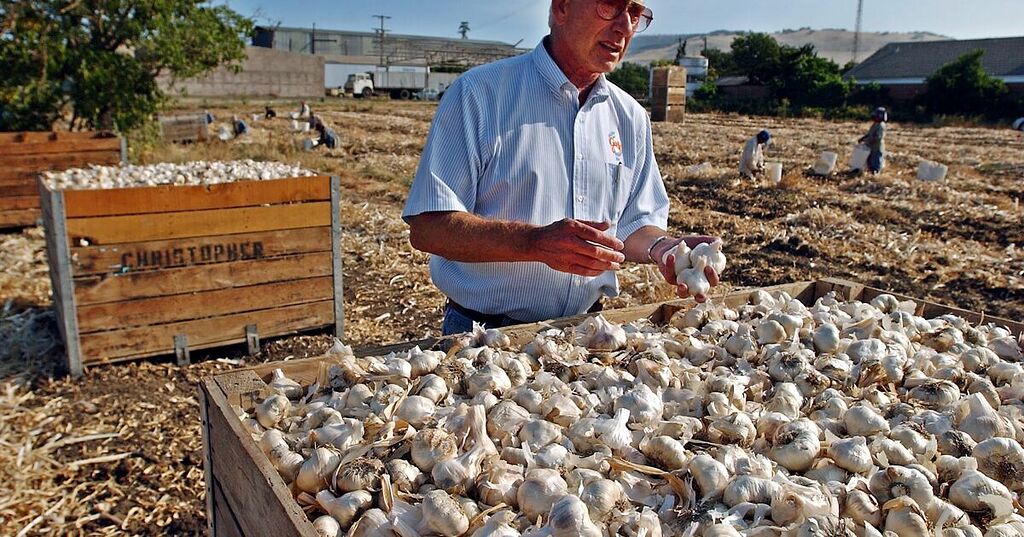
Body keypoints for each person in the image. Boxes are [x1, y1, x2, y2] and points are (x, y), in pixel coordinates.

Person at [403, 0, 720, 336]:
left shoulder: (630, 118)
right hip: (484, 338)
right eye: (610, 6)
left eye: (635, 13)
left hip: (587, 334)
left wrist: (665, 249)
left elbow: (634, 224)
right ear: (562, 8)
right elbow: (429, 227)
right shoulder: (480, 94)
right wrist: (534, 242)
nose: (625, 26)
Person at [859, 107, 887, 175]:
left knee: (876, 163)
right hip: (871, 147)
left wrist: (869, 141)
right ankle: (871, 172)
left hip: (876, 148)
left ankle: (875, 175)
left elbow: (878, 138)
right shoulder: (875, 124)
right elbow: (870, 134)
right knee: (870, 162)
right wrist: (863, 138)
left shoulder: (881, 125)